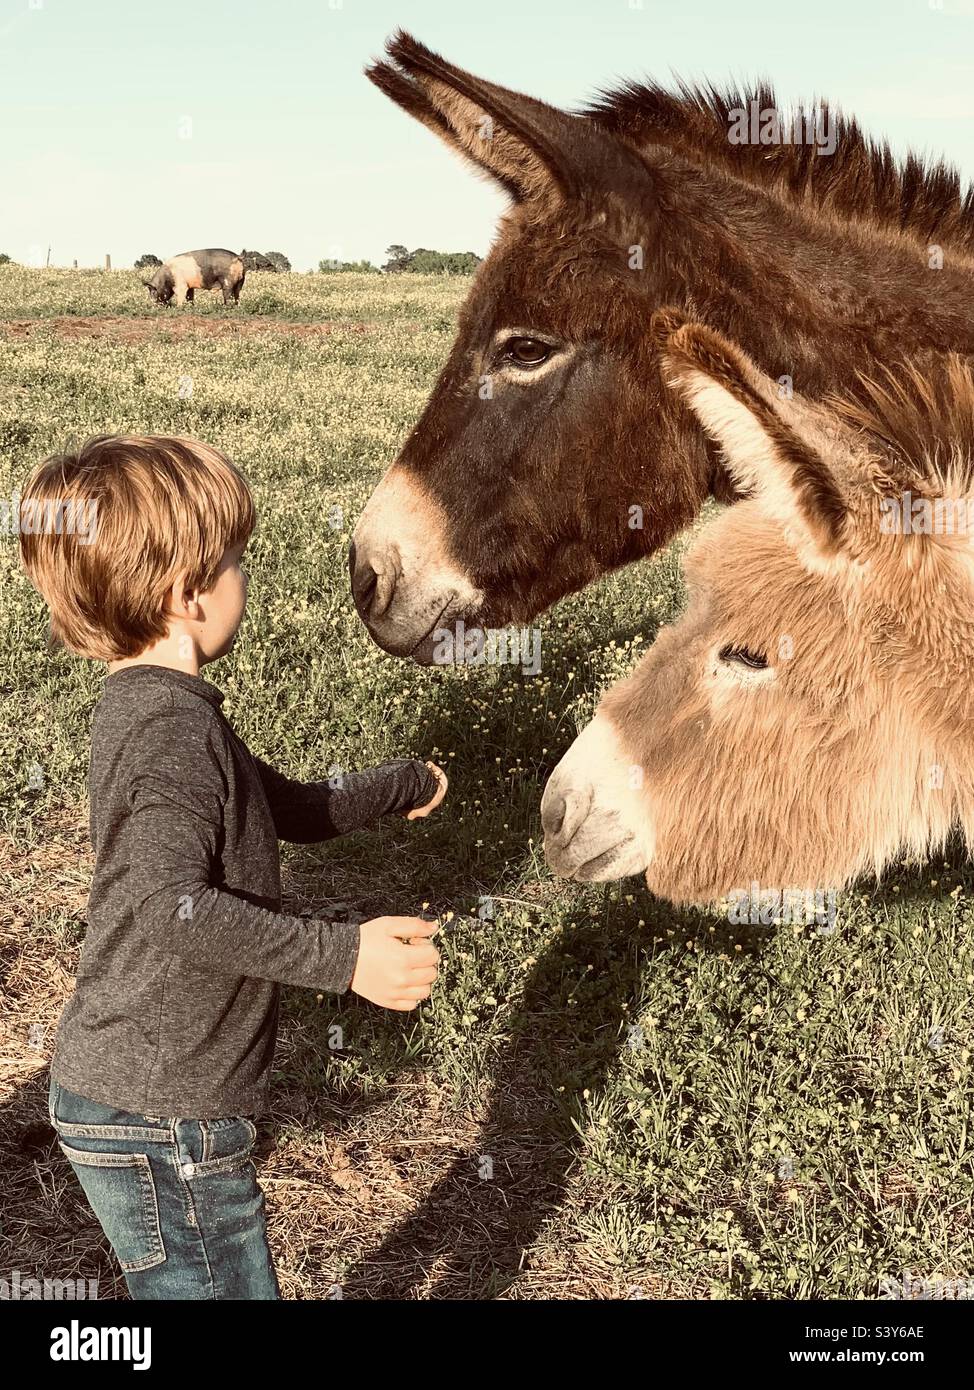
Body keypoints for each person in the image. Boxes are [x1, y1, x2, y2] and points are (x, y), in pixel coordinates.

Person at [19, 434, 448, 1299]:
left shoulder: (154, 706)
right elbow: (173, 908)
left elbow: (276, 806)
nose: (246, 576)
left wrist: (393, 785)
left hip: (146, 1095)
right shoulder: (173, 734)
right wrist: (346, 958)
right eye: (236, 560)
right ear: (187, 594)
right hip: (160, 1115)